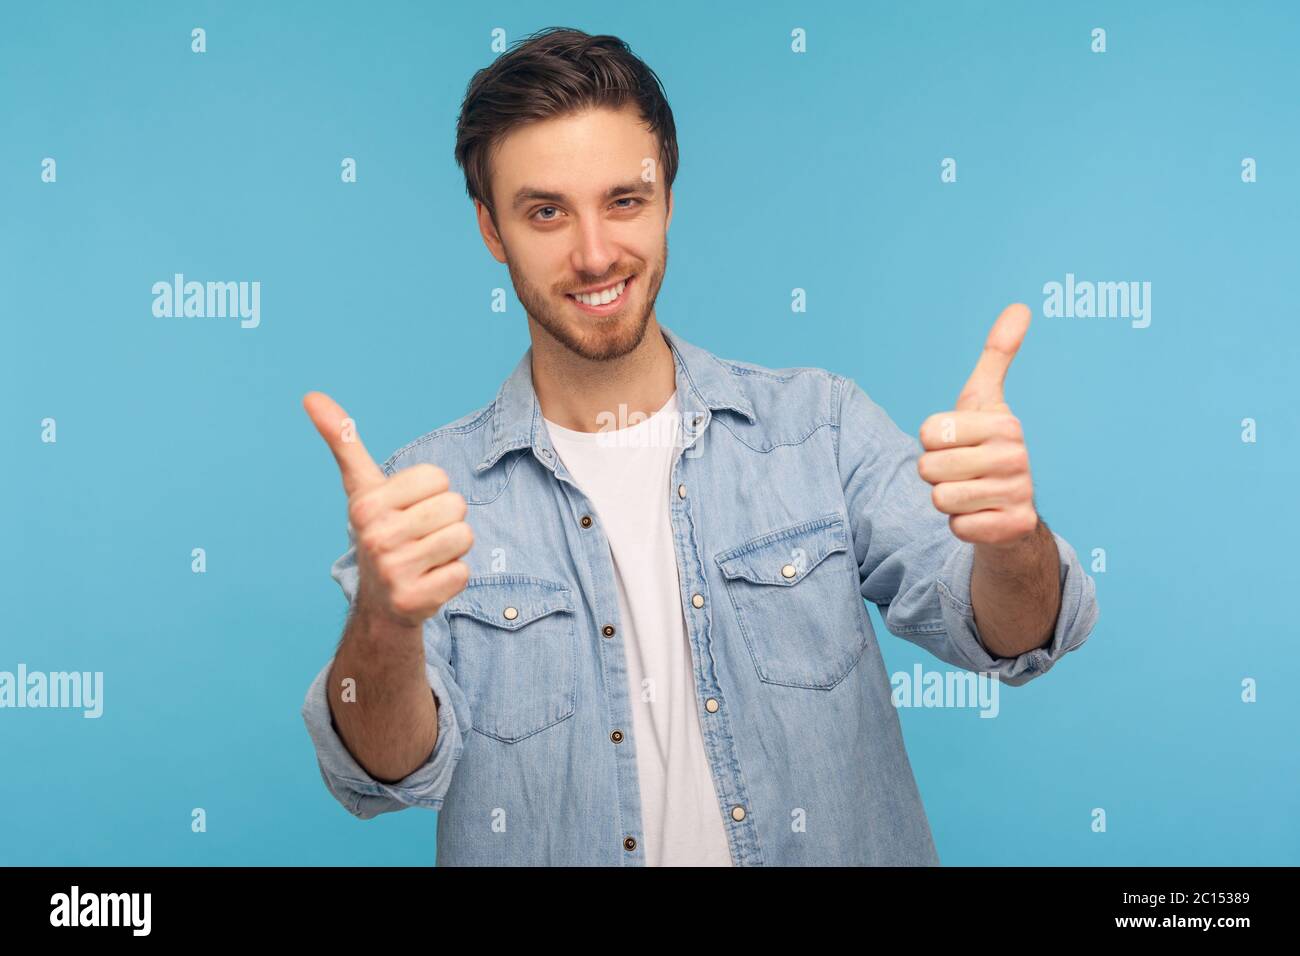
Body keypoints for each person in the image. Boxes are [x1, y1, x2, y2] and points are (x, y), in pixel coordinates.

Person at [300, 26, 1099, 866]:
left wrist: (1012, 543)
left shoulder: (818, 431)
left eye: (625, 200)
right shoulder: (428, 492)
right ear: (492, 231)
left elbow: (1016, 638)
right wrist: (384, 622)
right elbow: (382, 773)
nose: (596, 252)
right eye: (545, 212)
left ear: (668, 199)